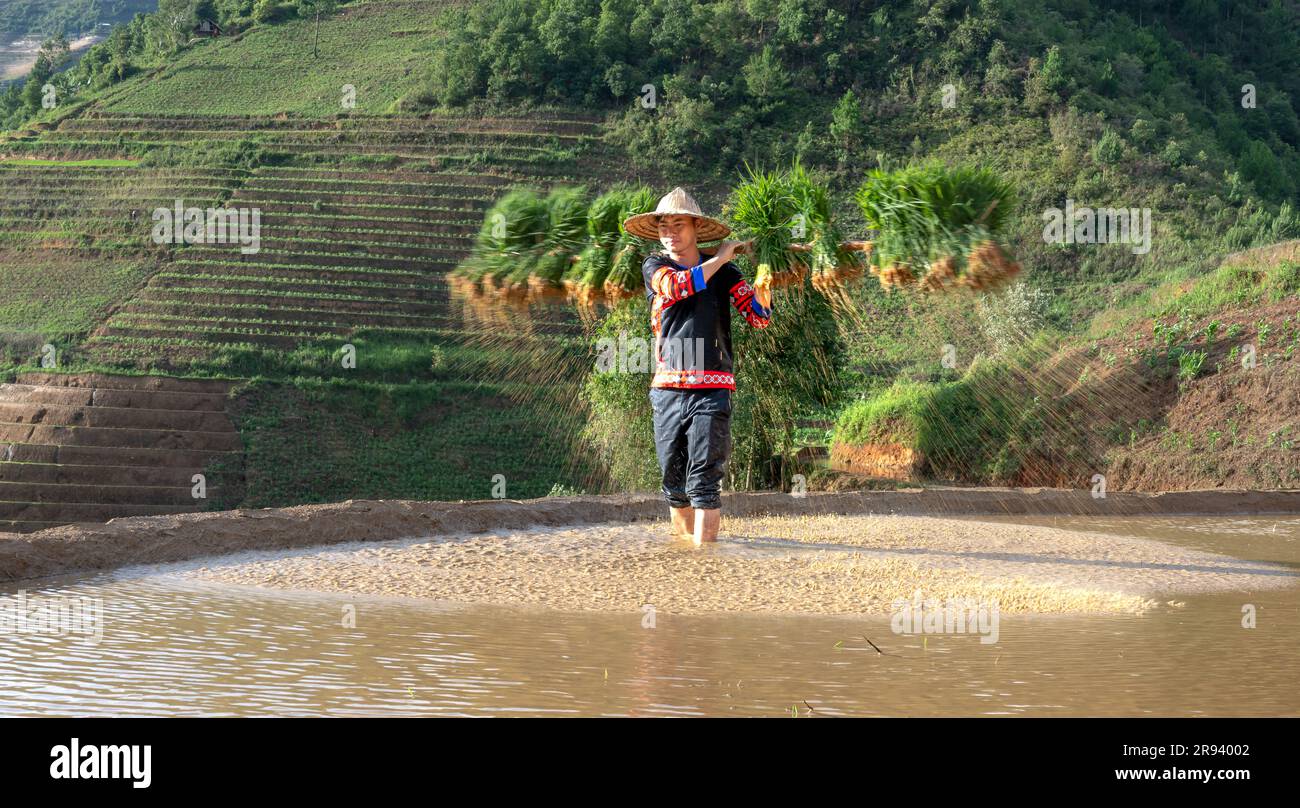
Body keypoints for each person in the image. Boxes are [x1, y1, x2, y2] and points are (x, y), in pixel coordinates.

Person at [622, 187, 772, 546]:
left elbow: (758, 317)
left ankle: (704, 562)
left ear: (695, 227)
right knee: (674, 482)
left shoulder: (726, 273)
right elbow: (677, 288)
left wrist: (768, 277)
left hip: (712, 386)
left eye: (678, 225)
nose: (670, 233)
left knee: (704, 480)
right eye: (663, 227)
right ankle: (684, 555)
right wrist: (720, 257)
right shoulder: (656, 266)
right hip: (668, 388)